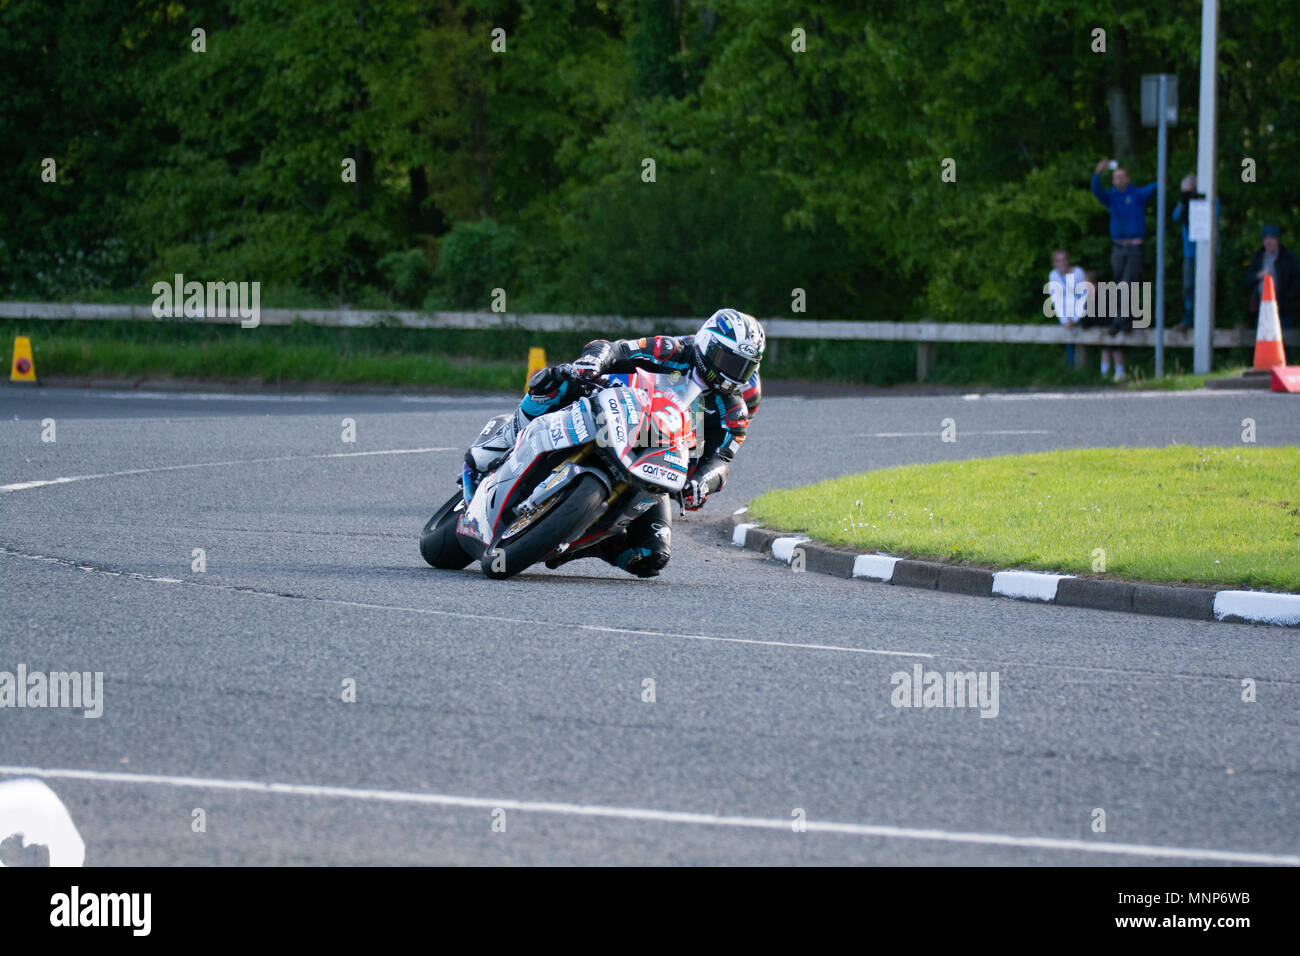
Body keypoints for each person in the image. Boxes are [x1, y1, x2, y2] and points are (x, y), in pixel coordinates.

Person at [466, 308, 764, 577]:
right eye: (730, 361)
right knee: (556, 379)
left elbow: (722, 460)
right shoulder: (673, 349)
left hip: (655, 463)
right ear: (709, 346)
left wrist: (701, 482)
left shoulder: (734, 412)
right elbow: (614, 348)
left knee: (651, 558)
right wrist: (591, 364)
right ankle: (506, 439)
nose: (733, 374)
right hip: (612, 411)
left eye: (744, 367)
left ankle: (576, 541)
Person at [1091, 159, 1158, 380]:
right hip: (1118, 247)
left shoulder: (1137, 195)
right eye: (1115, 178)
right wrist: (1097, 173)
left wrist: (1162, 179)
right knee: (1119, 282)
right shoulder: (1111, 197)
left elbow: (1154, 188)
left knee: (1128, 282)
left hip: (1135, 246)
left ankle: (1120, 320)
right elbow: (1096, 191)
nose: (1118, 180)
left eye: (1122, 177)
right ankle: (1126, 318)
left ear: (1128, 179)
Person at [1171, 174, 1218, 330]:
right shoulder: (1183, 202)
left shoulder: (1209, 200)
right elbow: (1176, 217)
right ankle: (1188, 319)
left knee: (1206, 286)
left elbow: (1214, 215)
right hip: (1189, 253)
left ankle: (1207, 321)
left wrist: (1196, 199)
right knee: (1189, 287)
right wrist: (1185, 199)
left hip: (1206, 252)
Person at [1244, 225, 1299, 330]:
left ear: (1277, 239)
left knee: (1284, 343)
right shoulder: (1258, 258)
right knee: (1263, 343)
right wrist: (1258, 275)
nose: (1268, 242)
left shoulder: (1288, 258)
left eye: (1271, 238)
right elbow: (1247, 280)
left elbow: (1296, 281)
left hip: (1283, 311)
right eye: (1265, 238)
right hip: (1262, 311)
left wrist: (1287, 300)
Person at [1046, 249, 1087, 367]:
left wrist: (1075, 318)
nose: (1062, 263)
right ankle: (1071, 369)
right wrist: (1064, 320)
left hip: (1081, 313)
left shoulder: (1079, 273)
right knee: (1069, 341)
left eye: (1064, 260)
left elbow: (1084, 297)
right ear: (1054, 264)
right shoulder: (1053, 275)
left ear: (1068, 260)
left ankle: (1082, 369)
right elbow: (1056, 299)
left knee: (1082, 341)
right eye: (1058, 261)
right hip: (1065, 315)